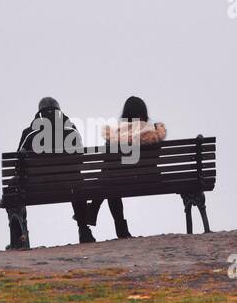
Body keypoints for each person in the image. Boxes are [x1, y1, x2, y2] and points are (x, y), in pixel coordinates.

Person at [14, 96, 95, 246]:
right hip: (70, 186)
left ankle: (20, 236)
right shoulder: (72, 130)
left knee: (13, 188)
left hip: (36, 188)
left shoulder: (29, 132)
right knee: (75, 181)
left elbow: (18, 162)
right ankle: (84, 230)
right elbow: (80, 159)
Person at [87, 96, 167, 239]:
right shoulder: (155, 133)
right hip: (151, 180)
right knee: (110, 179)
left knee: (109, 177)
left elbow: (107, 163)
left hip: (120, 181)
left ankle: (96, 211)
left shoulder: (116, 135)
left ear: (125, 113)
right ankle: (97, 213)